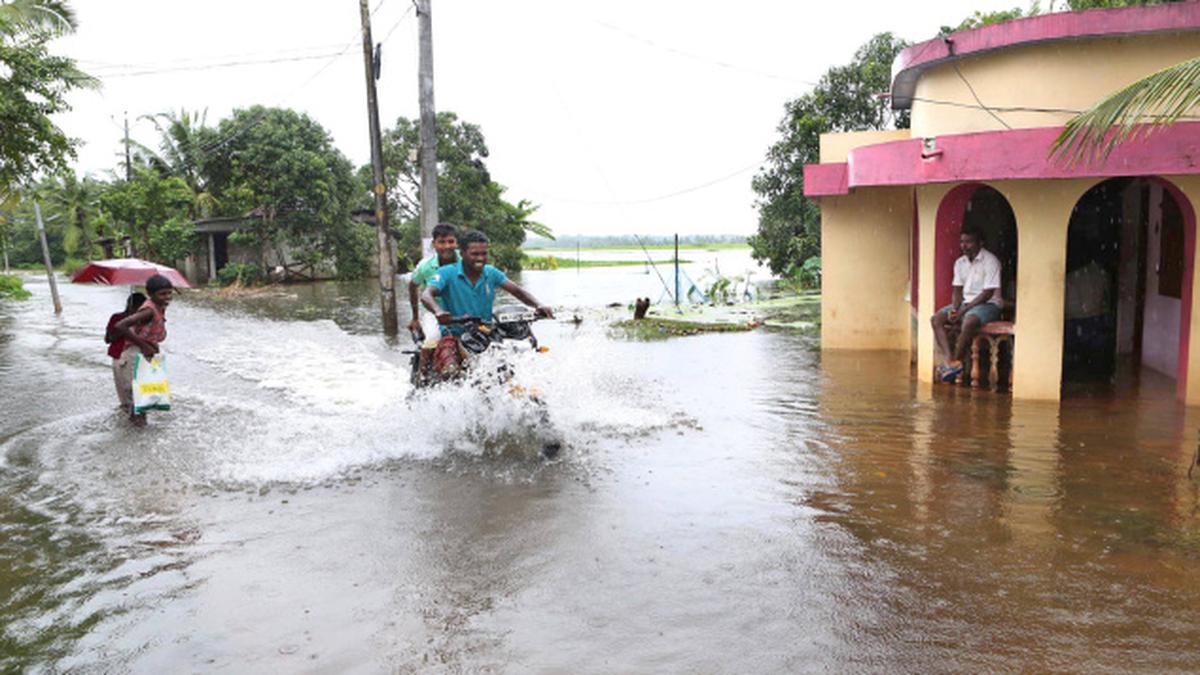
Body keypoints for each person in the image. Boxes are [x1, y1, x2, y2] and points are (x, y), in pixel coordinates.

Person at [421, 229, 553, 374]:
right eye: (475, 254)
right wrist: (438, 311)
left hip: (485, 332)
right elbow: (427, 295)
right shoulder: (446, 273)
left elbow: (518, 292)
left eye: (484, 254)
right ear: (462, 253)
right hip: (454, 333)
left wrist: (539, 305)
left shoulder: (491, 273)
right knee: (449, 371)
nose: (480, 258)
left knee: (515, 360)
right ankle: (425, 387)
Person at [931, 227, 1003, 383]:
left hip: (989, 304)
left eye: (969, 242)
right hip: (966, 304)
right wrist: (955, 309)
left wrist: (964, 310)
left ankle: (956, 361)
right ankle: (951, 361)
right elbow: (957, 290)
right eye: (962, 242)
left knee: (969, 320)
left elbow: (988, 293)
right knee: (936, 319)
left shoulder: (991, 261)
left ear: (980, 243)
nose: (964, 245)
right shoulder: (960, 263)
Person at [113, 274, 173, 426]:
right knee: (138, 400)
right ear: (151, 294)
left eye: (169, 292)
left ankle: (136, 431)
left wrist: (150, 345)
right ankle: (137, 433)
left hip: (141, 354)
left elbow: (148, 332)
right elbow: (120, 326)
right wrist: (144, 345)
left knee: (143, 398)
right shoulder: (148, 310)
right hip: (133, 354)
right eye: (162, 294)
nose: (167, 297)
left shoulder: (158, 308)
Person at [407, 222, 460, 340]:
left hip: (462, 310)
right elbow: (412, 286)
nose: (447, 246)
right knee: (432, 339)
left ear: (456, 243)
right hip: (434, 313)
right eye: (442, 242)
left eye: (451, 241)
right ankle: (424, 358)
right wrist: (415, 318)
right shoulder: (425, 266)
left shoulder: (466, 261)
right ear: (434, 244)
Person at [105, 291, 146, 411]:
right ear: (129, 305)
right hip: (120, 356)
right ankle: (129, 416)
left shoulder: (145, 320)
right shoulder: (117, 318)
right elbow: (108, 338)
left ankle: (135, 416)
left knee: (138, 392)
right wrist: (124, 326)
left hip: (139, 357)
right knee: (124, 391)